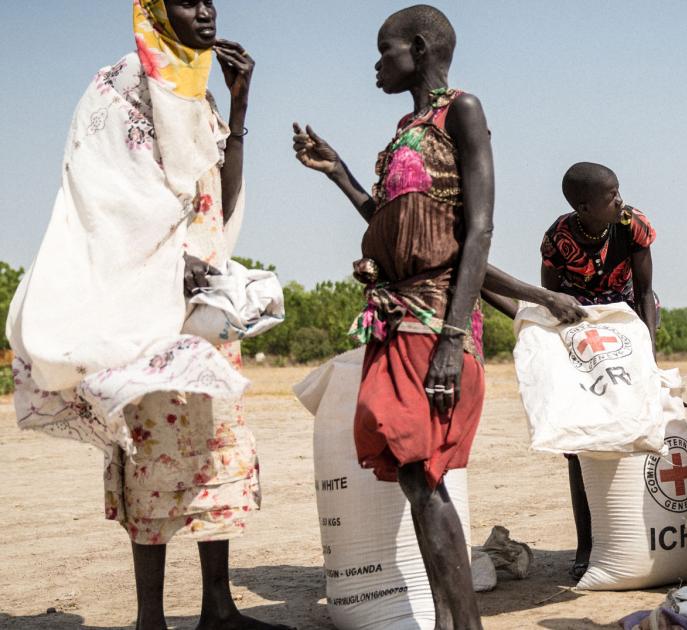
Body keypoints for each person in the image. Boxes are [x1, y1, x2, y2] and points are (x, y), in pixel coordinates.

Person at [290, 6, 583, 627]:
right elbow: (398, 225)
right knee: (415, 477)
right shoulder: (406, 127)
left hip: (436, 321)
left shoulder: (462, 112)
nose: (375, 64)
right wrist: (338, 171)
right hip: (396, 316)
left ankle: (465, 625)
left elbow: (476, 233)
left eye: (384, 51)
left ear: (419, 49)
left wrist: (453, 341)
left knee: (424, 474)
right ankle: (455, 621)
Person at [6, 2, 288, 629]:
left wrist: (239, 107)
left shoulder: (200, 94)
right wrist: (167, 258)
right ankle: (150, 617)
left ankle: (218, 607)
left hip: (203, 299)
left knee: (216, 445)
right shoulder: (121, 83)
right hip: (144, 296)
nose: (206, 12)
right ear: (156, 10)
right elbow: (101, 187)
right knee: (152, 450)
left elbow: (222, 193)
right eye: (188, 0)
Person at [539, 161, 657, 580]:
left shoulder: (633, 226)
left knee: (634, 429)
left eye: (619, 190)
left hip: (625, 325)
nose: (620, 201)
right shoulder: (558, 238)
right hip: (578, 332)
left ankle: (639, 535)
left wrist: (649, 359)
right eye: (610, 196)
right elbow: (550, 304)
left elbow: (645, 295)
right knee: (580, 443)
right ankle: (587, 545)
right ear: (584, 206)